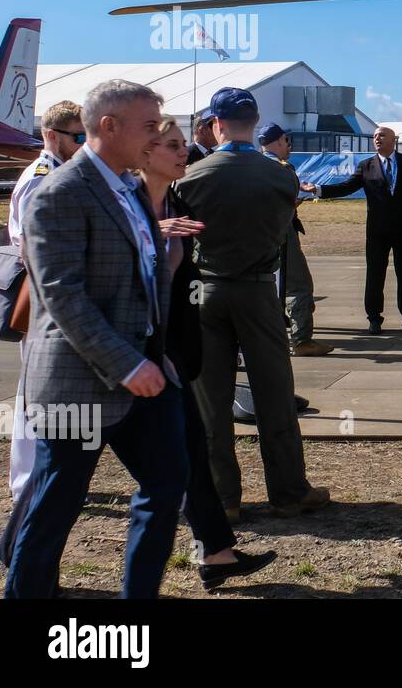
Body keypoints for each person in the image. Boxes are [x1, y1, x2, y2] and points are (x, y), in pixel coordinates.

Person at [5, 80, 187, 599]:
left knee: (167, 482)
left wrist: (163, 275)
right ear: (109, 127)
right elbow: (62, 296)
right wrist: (128, 364)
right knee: (56, 504)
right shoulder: (57, 193)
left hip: (147, 372)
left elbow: (139, 277)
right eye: (149, 126)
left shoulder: (129, 189)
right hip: (80, 381)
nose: (157, 136)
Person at [176, 87, 329, 522]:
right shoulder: (280, 174)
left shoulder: (192, 177)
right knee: (274, 393)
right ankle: (288, 492)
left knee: (211, 398)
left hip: (207, 290)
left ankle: (223, 498)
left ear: (216, 125)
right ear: (254, 121)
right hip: (259, 289)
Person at [139, 115, 277, 589]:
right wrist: (154, 232)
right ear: (144, 151)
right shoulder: (126, 203)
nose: (185, 153)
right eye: (173, 146)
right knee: (69, 472)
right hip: (128, 356)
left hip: (172, 348)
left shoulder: (174, 196)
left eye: (184, 144)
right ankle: (21, 552)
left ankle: (216, 554)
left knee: (190, 447)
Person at [0, 100, 84, 569]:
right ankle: (26, 486)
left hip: (51, 300)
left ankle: (32, 484)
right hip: (45, 300)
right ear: (52, 134)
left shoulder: (51, 173)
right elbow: (36, 247)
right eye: (77, 137)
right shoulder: (40, 179)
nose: (82, 145)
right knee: (34, 397)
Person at [319, 126, 402, 334]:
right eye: (375, 137)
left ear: (393, 140)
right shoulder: (366, 165)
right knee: (374, 274)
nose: (377, 139)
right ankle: (374, 318)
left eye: (382, 136)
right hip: (377, 230)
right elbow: (346, 187)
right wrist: (319, 190)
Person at [257, 122, 332, 357]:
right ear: (279, 141)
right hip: (281, 232)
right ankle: (301, 340)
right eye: (286, 142)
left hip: (253, 235)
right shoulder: (282, 167)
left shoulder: (250, 165)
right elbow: (287, 198)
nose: (288, 147)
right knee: (298, 286)